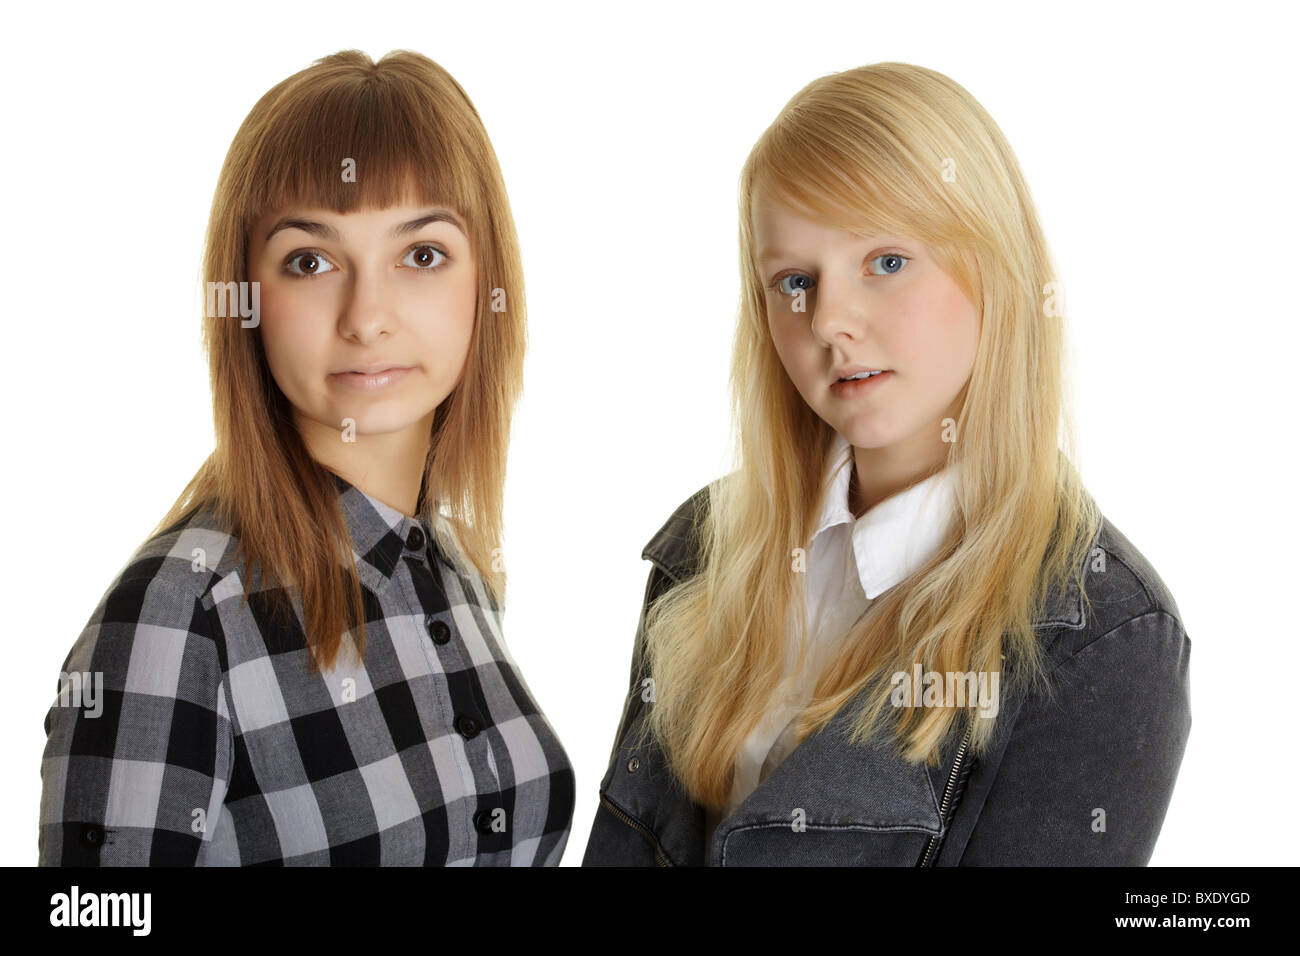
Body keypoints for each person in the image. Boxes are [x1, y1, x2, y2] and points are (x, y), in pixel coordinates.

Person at [583, 62, 1191, 866]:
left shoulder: (1101, 635)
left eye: (887, 261)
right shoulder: (704, 548)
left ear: (995, 268)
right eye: (794, 281)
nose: (830, 319)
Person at [40, 49, 573, 866]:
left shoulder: (452, 568)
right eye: (310, 261)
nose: (368, 317)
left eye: (422, 254)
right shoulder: (178, 616)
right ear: (246, 299)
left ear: (485, 283)